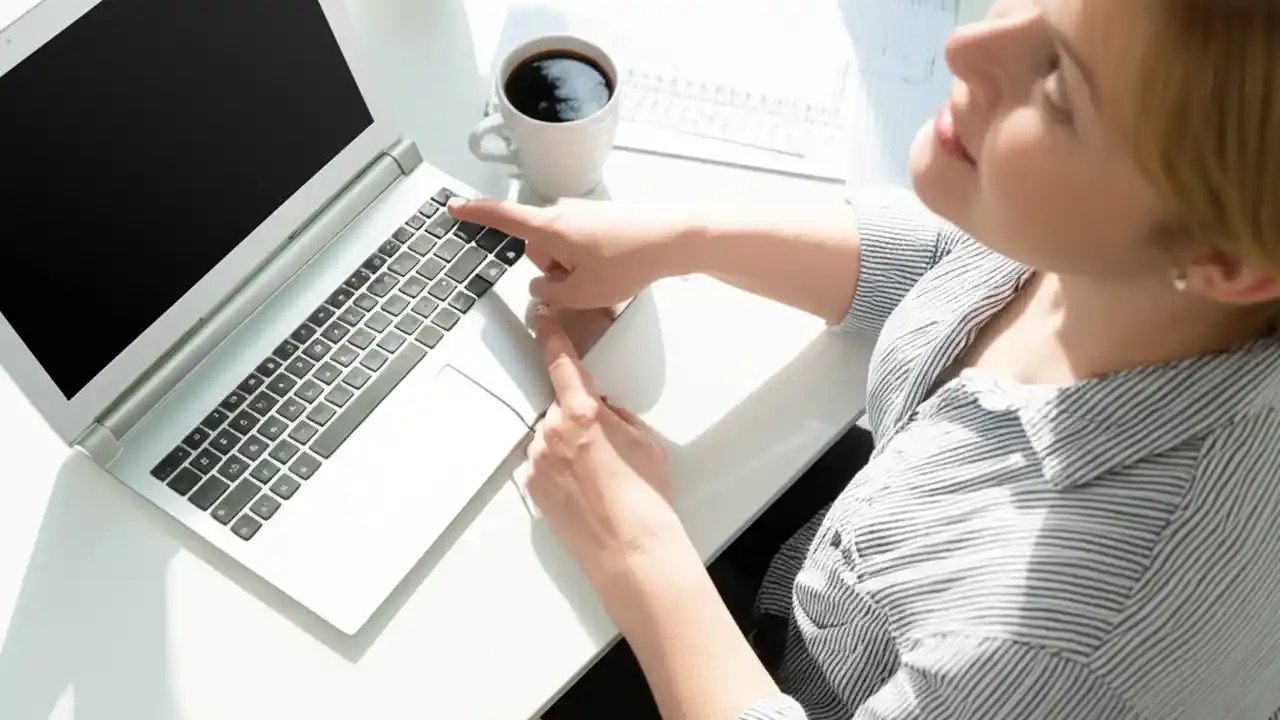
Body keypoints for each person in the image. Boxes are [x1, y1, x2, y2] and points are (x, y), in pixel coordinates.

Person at [448, 0, 1280, 717]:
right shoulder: (1131, 275)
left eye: (1059, 84)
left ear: (1227, 263)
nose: (964, 47)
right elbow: (948, 261)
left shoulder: (1055, 648)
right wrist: (680, 238)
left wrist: (633, 542)